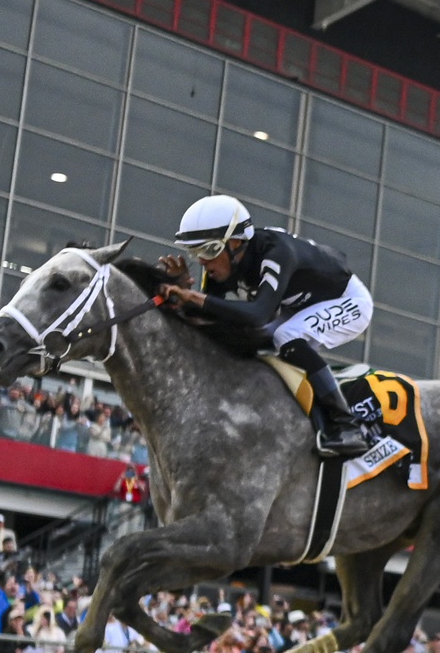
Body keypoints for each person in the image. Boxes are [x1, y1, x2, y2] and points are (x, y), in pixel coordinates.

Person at [159, 195, 375, 459]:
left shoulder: (276, 253)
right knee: (253, 337)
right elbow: (209, 321)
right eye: (195, 253)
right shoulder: (227, 261)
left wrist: (194, 298)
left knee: (286, 336)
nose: (202, 262)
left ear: (235, 243)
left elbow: (258, 314)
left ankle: (347, 426)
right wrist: (184, 289)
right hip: (298, 306)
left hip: (348, 300)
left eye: (208, 251)